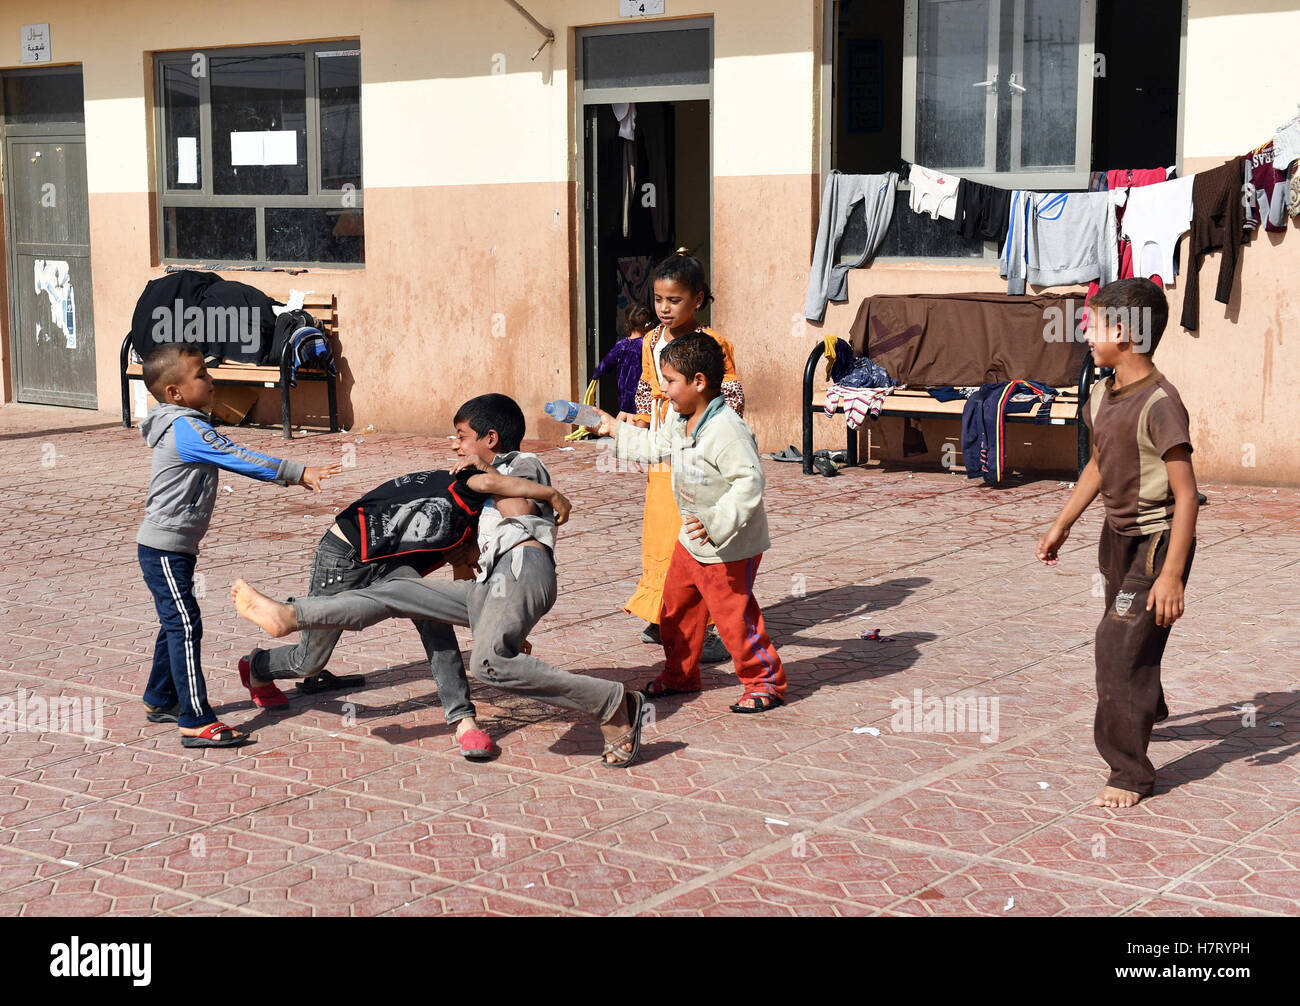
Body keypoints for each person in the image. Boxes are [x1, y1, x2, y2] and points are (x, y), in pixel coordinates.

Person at [231, 393, 646, 766]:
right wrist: (500, 618)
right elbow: (467, 562)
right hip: (460, 579)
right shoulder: (476, 480)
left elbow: (517, 510)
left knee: (487, 662)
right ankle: (289, 616)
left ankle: (608, 702)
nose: (455, 445)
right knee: (391, 599)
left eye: (463, 436)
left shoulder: (522, 465)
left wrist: (540, 493)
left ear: (491, 439)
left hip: (520, 567)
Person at [238, 457, 571, 761]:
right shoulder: (471, 487)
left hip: (393, 564)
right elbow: (487, 486)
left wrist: (504, 627)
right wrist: (553, 494)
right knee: (308, 661)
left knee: (433, 613)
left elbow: (462, 586)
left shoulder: (478, 523)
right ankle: (258, 665)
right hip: (345, 554)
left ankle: (463, 721)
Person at [1035, 278, 1197, 808]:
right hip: (1116, 540)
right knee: (1128, 638)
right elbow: (1101, 463)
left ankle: (1129, 773)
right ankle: (1148, 704)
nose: (1086, 335)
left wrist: (1171, 574)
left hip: (1158, 542)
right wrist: (1063, 523)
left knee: (1115, 645)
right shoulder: (1102, 393)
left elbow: (1187, 496)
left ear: (1125, 334)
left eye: (1094, 326)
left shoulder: (1161, 404)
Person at [135, 343, 340, 748]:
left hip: (172, 546)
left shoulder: (182, 422)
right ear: (174, 391)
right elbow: (236, 456)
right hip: (164, 549)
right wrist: (297, 472)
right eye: (201, 376)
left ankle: (160, 698)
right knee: (185, 624)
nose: (211, 381)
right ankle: (195, 718)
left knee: (174, 620)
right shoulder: (186, 428)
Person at [593, 333, 787, 713]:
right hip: (691, 538)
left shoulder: (726, 429)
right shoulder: (679, 419)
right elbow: (653, 448)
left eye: (669, 381)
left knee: (734, 618)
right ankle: (680, 675)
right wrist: (613, 429)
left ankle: (765, 683)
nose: (662, 390)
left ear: (698, 382)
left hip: (728, 543)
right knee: (676, 611)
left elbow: (749, 482)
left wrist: (716, 521)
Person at [624, 251, 744, 664]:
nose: (664, 309)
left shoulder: (714, 345)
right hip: (663, 452)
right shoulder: (651, 342)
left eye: (674, 300)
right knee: (660, 533)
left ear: (699, 299)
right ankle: (663, 613)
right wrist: (641, 421)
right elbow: (645, 386)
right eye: (659, 299)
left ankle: (709, 625)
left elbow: (731, 397)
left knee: (697, 532)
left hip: (700, 453)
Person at [592, 304, 653, 416]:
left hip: (624, 400)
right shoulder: (646, 345)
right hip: (640, 402)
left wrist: (596, 374)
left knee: (621, 424)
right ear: (648, 326)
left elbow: (604, 365)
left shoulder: (621, 345)